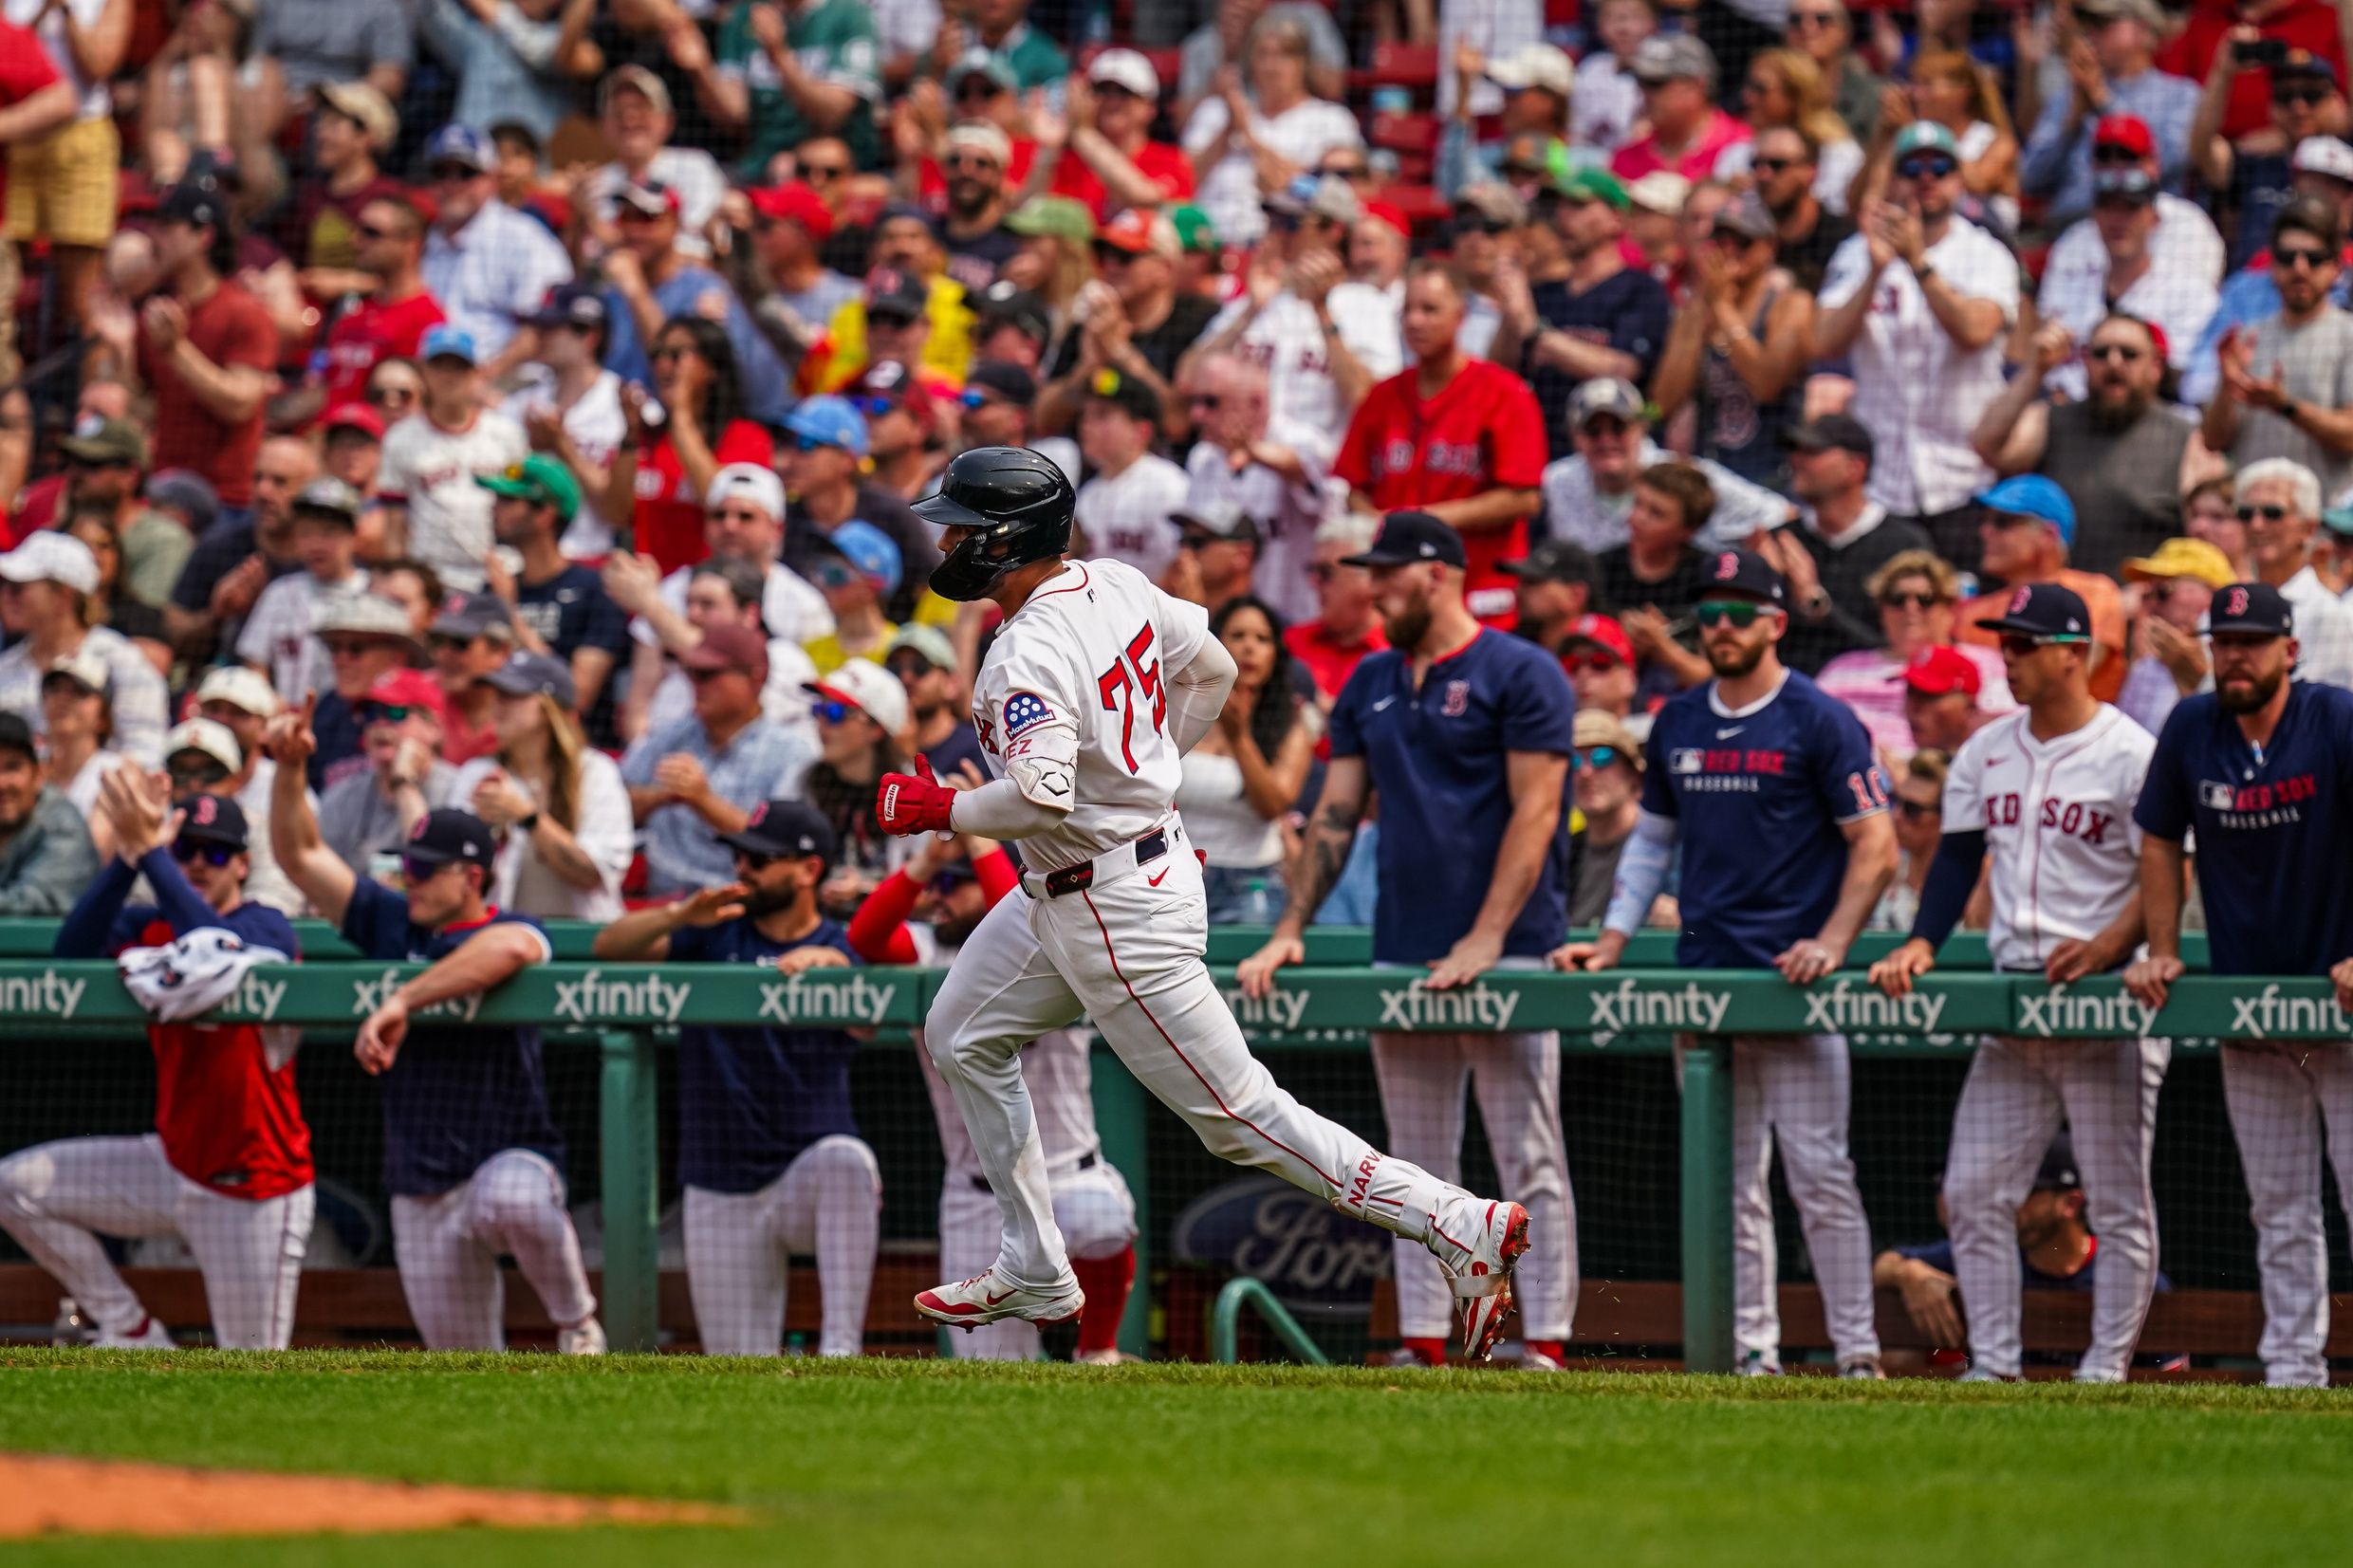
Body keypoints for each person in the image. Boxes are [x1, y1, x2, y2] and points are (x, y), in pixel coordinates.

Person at [878, 448, 1532, 1357]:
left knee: (1243, 1120)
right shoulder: (1114, 580)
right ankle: (1034, 1259)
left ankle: (1454, 1220)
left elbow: (1041, 796)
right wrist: (1148, 777)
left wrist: (942, 808)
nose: (946, 539)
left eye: (960, 524)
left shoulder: (1024, 648)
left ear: (1004, 539)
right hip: (1092, 876)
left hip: (1108, 900)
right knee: (959, 1033)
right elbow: (1215, 671)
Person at [1240, 511, 1575, 1367]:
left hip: (1511, 946)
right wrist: (1288, 929)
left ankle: (1546, 1343)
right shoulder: (1370, 680)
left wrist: (1488, 936)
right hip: (1403, 940)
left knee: (1527, 1148)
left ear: (1441, 574)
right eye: (1370, 572)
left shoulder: (1521, 669)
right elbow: (1337, 813)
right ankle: (1423, 1338)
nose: (1373, 587)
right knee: (1411, 1159)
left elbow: (1537, 812)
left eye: (1389, 573)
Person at [1554, 546, 1896, 1379]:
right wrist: (1611, 939)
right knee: (1730, 1183)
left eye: (1740, 613)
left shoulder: (1820, 716)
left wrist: (1835, 943)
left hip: (1792, 986)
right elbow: (1650, 848)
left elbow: (1877, 847)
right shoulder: (1677, 720)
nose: (1721, 628)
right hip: (1706, 980)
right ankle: (1754, 1350)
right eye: (1707, 614)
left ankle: (1856, 1350)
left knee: (1821, 1173)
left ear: (1777, 622)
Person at [1870, 581, 2164, 1383]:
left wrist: (2110, 945)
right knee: (1970, 1191)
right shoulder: (1986, 748)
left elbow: (2167, 867)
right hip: (2014, 1000)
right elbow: (1959, 856)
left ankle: (2105, 1369)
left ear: (2077, 652)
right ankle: (1993, 1364)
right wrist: (1924, 941)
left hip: (2103, 1008)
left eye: (2028, 642)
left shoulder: (2132, 749)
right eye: (2008, 639)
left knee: (2118, 1201)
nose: (2012, 653)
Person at [269, 703, 604, 1356]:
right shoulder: (394, 920)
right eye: (408, 865)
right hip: (420, 1174)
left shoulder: (509, 925)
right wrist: (289, 768)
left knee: (514, 1202)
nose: (409, 877)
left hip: (507, 1155)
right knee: (462, 1363)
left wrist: (403, 1000)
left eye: (426, 869)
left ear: (471, 876)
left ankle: (577, 1322)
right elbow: (301, 853)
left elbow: (507, 950)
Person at [2125, 581, 2353, 1388]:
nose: (2237, 655)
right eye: (2225, 641)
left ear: (2290, 649)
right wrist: (2160, 945)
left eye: (2253, 641)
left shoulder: (2334, 717)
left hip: (2343, 1006)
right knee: (2278, 1203)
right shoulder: (2193, 724)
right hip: (2248, 1005)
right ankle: (2293, 1367)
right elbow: (2157, 836)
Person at [6, 771, 308, 1350]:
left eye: (214, 852)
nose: (197, 863)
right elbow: (72, 950)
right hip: (171, 1160)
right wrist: (128, 856)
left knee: (253, 1372)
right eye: (184, 851)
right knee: (14, 1188)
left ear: (241, 864)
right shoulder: (151, 924)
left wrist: (154, 854)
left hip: (255, 1183)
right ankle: (130, 1327)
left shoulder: (264, 925)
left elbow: (214, 953)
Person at [592, 797, 880, 1356]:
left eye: (760, 859)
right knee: (738, 1362)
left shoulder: (835, 944)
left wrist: (835, 971)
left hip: (805, 1170)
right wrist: (679, 916)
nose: (742, 870)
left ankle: (842, 1353)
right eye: (740, 857)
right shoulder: (713, 929)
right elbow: (611, 948)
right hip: (720, 1177)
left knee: (848, 1161)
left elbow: (866, 1019)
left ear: (808, 870)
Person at [846, 829, 1139, 1364]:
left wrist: (981, 841)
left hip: (1067, 1174)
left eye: (957, 885)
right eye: (941, 885)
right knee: (991, 1371)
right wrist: (930, 860)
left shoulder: (1059, 942)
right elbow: (866, 939)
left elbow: (1024, 931)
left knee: (1101, 1225)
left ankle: (1098, 1352)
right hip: (976, 1195)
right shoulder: (929, 948)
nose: (942, 895)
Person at [1816, 122, 2018, 573]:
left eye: (1940, 167)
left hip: (1964, 479)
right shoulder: (1855, 252)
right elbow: (1824, 341)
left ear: (1959, 179)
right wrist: (1873, 271)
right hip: (1881, 481)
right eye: (1912, 167)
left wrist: (1916, 262)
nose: (1926, 178)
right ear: (1893, 179)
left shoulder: (1987, 254)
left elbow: (1974, 331)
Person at [1333, 263, 1546, 628]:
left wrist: (1425, 520)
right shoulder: (1382, 397)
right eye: (1408, 311)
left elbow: (1525, 497)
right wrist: (1374, 519)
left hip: (1480, 590)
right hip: (1399, 593)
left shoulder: (1504, 392)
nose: (1415, 322)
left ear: (1461, 316)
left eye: (1430, 310)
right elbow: (1352, 488)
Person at [1973, 312, 2204, 579]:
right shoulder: (2053, 419)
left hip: (2141, 603)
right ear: (2084, 361)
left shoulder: (2185, 437)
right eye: (2101, 353)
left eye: (2129, 354)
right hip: (2058, 602)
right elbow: (1988, 446)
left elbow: (2202, 535)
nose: (2114, 362)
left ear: (2155, 367)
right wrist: (2036, 371)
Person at [2029, 122, 2225, 400]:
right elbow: (2050, 347)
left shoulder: (2188, 282)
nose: (2118, 220)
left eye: (2130, 207)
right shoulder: (2075, 256)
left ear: (2151, 216)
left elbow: (2179, 379)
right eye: (2108, 206)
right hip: (2072, 409)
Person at [621, 622, 817, 898]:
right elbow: (614, 807)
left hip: (742, 905)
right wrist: (659, 796)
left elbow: (782, 848)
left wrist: (704, 800)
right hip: (663, 905)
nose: (695, 684)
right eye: (691, 672)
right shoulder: (673, 735)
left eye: (708, 674)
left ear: (755, 678)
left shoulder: (791, 753)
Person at [1178, 172, 1369, 447]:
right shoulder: (1257, 301)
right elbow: (1188, 381)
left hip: (1317, 476)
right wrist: (1250, 311)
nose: (1278, 233)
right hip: (1241, 471)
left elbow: (1366, 400)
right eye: (1273, 221)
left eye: (1291, 223)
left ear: (1334, 230)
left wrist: (1322, 313)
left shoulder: (1365, 305)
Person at [129, 181, 279, 525]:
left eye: (168, 226)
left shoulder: (244, 312)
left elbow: (241, 403)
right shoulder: (157, 314)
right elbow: (140, 403)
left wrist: (176, 350)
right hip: (162, 493)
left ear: (203, 236)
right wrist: (119, 344)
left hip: (224, 502)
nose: (154, 236)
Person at [1499, 168, 1672, 462]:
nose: (1563, 216)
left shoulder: (1641, 290)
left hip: (1609, 457)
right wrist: (1511, 307)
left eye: (1578, 205)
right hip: (1543, 451)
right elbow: (1503, 369)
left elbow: (1623, 370)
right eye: (1560, 206)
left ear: (1617, 218)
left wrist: (1536, 330)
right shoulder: (1543, 293)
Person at [447, 654, 630, 925]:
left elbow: (591, 874)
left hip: (583, 941)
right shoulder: (476, 774)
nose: (496, 706)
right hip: (496, 939)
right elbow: (453, 881)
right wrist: (482, 836)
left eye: (511, 695)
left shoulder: (595, 772)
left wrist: (527, 817)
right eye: (496, 695)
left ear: (547, 709)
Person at [1652, 191, 1815, 490]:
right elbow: (1663, 404)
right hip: (1710, 478)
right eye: (1722, 241)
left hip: (1772, 478)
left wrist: (1722, 309)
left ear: (1769, 247)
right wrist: (1700, 313)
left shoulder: (1791, 304)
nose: (1730, 250)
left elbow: (1766, 384)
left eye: (1743, 242)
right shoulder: (1696, 310)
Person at [2204, 197, 2353, 505]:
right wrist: (2226, 387)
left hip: (2325, 523)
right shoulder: (2248, 337)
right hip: (2253, 520)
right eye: (2287, 257)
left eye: (2313, 258)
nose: (2299, 268)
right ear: (2272, 265)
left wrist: (2285, 406)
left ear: (2335, 268)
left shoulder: (2348, 335)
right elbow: (2213, 440)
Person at [1175, 595, 1313, 925]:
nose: (1249, 647)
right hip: (1178, 877)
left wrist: (1240, 738)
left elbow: (1272, 806)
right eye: (1238, 636)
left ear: (1275, 655)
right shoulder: (1180, 712)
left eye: (1261, 639)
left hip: (1252, 886)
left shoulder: (1293, 726)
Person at [606, 316, 777, 581]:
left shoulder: (745, 437)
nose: (663, 365)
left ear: (712, 368)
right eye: (656, 355)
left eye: (676, 355)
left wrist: (681, 413)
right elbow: (616, 514)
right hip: (652, 594)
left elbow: (717, 496)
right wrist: (629, 437)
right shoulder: (647, 440)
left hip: (713, 594)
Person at [1765, 413, 1936, 675]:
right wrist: (1765, 585)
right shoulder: (1780, 541)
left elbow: (1903, 647)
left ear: (1855, 466)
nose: (1797, 461)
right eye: (1795, 451)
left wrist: (1817, 603)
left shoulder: (1905, 544)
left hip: (1875, 691)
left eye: (1812, 452)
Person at [1541, 378, 1789, 555]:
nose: (1606, 441)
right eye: (1593, 431)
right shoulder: (1557, 481)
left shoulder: (1680, 475)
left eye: (1618, 428)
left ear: (1641, 428)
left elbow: (1782, 513)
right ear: (1574, 437)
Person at [1176, 351, 1337, 625]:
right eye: (1195, 401)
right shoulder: (1203, 457)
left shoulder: (1303, 439)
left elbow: (1302, 467)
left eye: (1211, 402)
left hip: (1299, 620)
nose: (1197, 414)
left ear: (1256, 402)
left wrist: (1254, 451)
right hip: (1230, 625)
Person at [1181, 11, 1363, 250]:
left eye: (1283, 56)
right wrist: (1227, 130)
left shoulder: (1331, 119)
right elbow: (1183, 180)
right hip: (1204, 246)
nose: (1271, 67)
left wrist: (1247, 132)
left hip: (1280, 246)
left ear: (1303, 63)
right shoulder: (1215, 111)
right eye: (1262, 55)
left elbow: (1325, 194)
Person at [2019, 0, 2199, 231]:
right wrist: (2072, 120)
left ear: (2143, 30)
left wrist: (2102, 100)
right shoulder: (2068, 96)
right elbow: (2030, 178)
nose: (2092, 34)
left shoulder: (2181, 94)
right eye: (2089, 25)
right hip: (2069, 229)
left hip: (2147, 230)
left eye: (2105, 24)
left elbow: (2168, 160)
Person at [481, 453, 630, 729]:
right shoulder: (495, 587)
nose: (494, 508)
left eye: (509, 500)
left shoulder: (596, 592)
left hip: (575, 750)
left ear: (545, 515)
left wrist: (510, 614)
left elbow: (577, 694)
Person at [376, 326, 527, 595]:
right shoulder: (400, 438)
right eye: (439, 366)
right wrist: (397, 575)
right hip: (431, 578)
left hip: (495, 573)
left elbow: (521, 504)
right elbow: (394, 522)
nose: (448, 376)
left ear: (475, 372)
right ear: (424, 372)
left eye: (458, 367)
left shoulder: (506, 435)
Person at [1815, 550, 2012, 757]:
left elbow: (2007, 726)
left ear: (1951, 609)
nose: (1911, 608)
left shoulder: (1987, 664)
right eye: (1897, 599)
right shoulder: (1843, 670)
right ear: (1881, 609)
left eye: (1925, 599)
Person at [1955, 475, 2130, 702]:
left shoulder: (2094, 593)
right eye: (1985, 522)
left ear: (2047, 535)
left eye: (2002, 522)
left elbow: (2072, 681)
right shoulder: (1973, 614)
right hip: (1997, 732)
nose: (1985, 532)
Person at [0, 530, 169, 766]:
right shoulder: (5, 668)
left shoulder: (123, 663)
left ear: (64, 597)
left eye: (18, 588)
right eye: (4, 585)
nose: (6, 596)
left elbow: (146, 755)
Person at [418, 123, 575, 377]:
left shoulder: (523, 237)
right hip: (433, 388)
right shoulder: (421, 240)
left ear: (491, 178)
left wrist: (483, 379)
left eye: (466, 173)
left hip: (507, 386)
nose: (451, 184)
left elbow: (542, 328)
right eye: (440, 173)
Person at [163, 435, 315, 669]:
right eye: (257, 479)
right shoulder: (220, 546)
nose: (263, 491)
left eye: (280, 482)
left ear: (309, 491)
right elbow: (172, 635)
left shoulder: (321, 558)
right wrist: (216, 614)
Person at [696, 0, 883, 182]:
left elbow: (833, 112)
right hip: (759, 167)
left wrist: (778, 55)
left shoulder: (849, 14)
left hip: (832, 175)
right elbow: (737, 112)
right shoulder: (746, 14)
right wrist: (700, 67)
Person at [236, 478, 369, 707]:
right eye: (307, 533)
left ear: (354, 536)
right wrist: (270, 704)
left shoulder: (373, 592)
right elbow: (255, 662)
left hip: (352, 719)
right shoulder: (280, 592)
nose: (316, 544)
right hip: (288, 715)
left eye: (328, 533)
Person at [319, 669, 455, 879]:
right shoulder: (341, 796)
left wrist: (404, 782)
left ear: (434, 728)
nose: (380, 725)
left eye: (395, 713)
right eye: (371, 714)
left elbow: (434, 875)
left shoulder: (460, 789)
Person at [2231, 457, 2353, 689]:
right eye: (2246, 513)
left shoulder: (2330, 616)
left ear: (2309, 528)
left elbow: (2318, 712)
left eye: (2273, 512)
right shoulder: (2229, 604)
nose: (2256, 525)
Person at [1038, 48, 1195, 224]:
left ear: (1150, 107)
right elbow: (1029, 210)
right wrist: (1049, 148)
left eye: (1124, 92)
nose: (1112, 101)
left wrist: (1083, 133)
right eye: (1102, 91)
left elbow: (1144, 199)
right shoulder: (1070, 160)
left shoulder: (1170, 160)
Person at [1072, 370, 1191, 584]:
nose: (1086, 426)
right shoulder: (1088, 494)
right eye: (1085, 416)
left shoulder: (1167, 484)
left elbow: (1180, 567)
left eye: (1102, 415)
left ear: (1141, 430)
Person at [2117, 537, 2234, 735]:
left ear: (2211, 594)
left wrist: (2197, 678)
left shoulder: (2235, 654)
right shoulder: (2148, 663)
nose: (2152, 604)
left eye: (2164, 592)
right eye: (2147, 594)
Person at [1613, 33, 1750, 185]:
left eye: (1655, 83)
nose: (1644, 93)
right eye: (1640, 81)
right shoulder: (1626, 161)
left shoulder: (1742, 147)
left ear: (1697, 85)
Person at [1284, 512, 1388, 706]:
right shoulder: (1290, 644)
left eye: (1325, 572)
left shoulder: (1398, 652)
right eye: (1312, 570)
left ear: (1369, 577)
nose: (1314, 581)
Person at [0, 710, 98, 912]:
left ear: (38, 775)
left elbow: (31, 902)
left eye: (12, 767)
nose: (2, 783)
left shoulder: (63, 824)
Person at [1565, 710, 1652, 928]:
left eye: (1601, 757)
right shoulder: (1563, 853)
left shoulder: (1665, 850)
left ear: (1634, 774)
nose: (1586, 772)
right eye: (1573, 760)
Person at [428, 592, 517, 767]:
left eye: (459, 643)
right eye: (437, 641)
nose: (441, 655)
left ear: (501, 651)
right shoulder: (416, 694)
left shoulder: (524, 712)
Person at [802, 523, 903, 674]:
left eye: (835, 574)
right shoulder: (809, 651)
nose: (821, 582)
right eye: (819, 570)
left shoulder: (900, 650)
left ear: (872, 586)